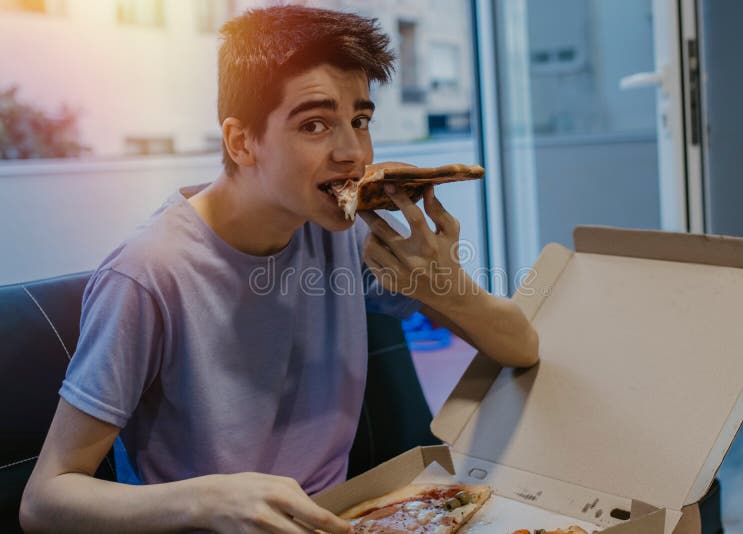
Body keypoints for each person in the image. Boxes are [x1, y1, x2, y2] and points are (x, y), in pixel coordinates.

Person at [20, 5, 539, 533]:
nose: (354, 153)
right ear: (241, 141)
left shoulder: (344, 233)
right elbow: (44, 501)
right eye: (315, 124)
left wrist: (445, 288)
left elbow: (521, 346)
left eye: (360, 121)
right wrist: (208, 500)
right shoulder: (147, 274)